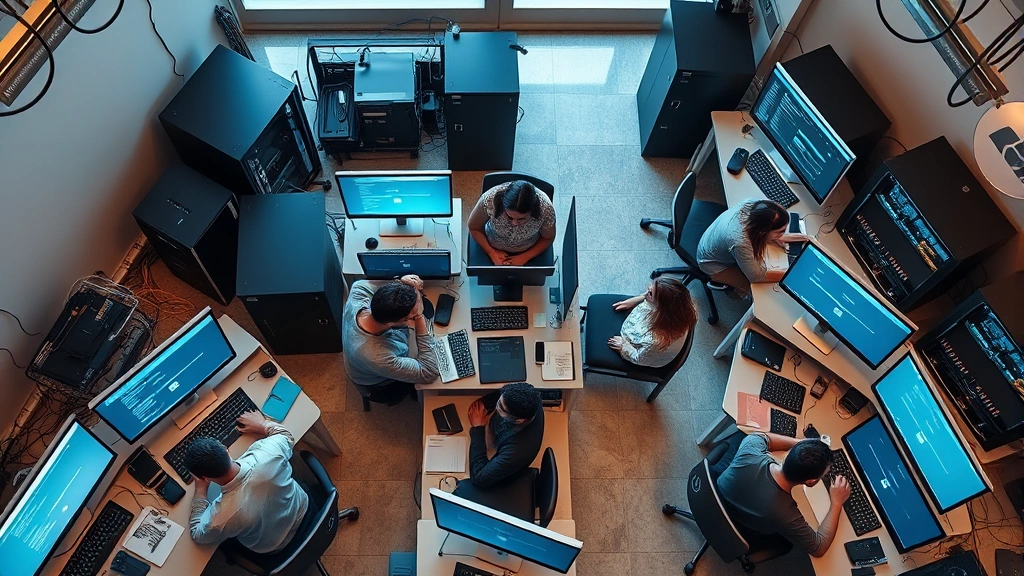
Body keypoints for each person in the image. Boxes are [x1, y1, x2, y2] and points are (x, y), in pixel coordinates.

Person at [185, 412, 313, 553]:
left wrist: (200, 491)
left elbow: (198, 534)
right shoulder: (268, 454)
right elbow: (286, 436)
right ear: (227, 450)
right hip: (305, 508)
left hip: (278, 546)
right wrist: (263, 425)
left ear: (205, 478)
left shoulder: (220, 518)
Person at [717, 432, 851, 558]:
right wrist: (836, 503)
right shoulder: (787, 514)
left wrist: (801, 446)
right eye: (824, 474)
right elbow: (818, 548)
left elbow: (762, 437)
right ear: (810, 481)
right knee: (786, 545)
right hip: (743, 526)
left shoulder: (750, 452)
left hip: (717, 497)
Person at [342, 275, 439, 402]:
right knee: (417, 383)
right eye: (413, 315)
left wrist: (402, 282)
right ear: (401, 322)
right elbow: (429, 372)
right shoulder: (376, 356)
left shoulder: (359, 290)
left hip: (362, 362)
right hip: (378, 385)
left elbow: (389, 293)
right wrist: (419, 315)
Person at [695, 199, 808, 296]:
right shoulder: (740, 242)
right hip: (711, 264)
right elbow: (757, 277)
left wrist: (777, 237)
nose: (783, 234)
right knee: (759, 290)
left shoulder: (754, 205)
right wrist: (793, 274)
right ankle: (739, 293)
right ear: (762, 232)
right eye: (780, 231)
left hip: (711, 241)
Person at [461, 382, 545, 488]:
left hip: (504, 473)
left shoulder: (517, 451)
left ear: (519, 421)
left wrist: (478, 429)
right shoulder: (529, 397)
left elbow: (479, 477)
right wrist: (484, 404)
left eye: (500, 407)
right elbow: (503, 396)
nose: (497, 406)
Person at [606, 277, 697, 367]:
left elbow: (639, 358)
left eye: (650, 294)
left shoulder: (656, 341)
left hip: (647, 353)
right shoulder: (684, 308)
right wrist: (637, 299)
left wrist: (623, 346)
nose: (646, 294)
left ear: (662, 307)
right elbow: (653, 295)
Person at [468, 180, 556, 266]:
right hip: (491, 243)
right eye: (509, 217)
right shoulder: (490, 199)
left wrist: (525, 256)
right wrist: (491, 252)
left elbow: (547, 238)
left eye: (521, 219)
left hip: (529, 248)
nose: (514, 223)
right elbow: (474, 227)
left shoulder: (545, 209)